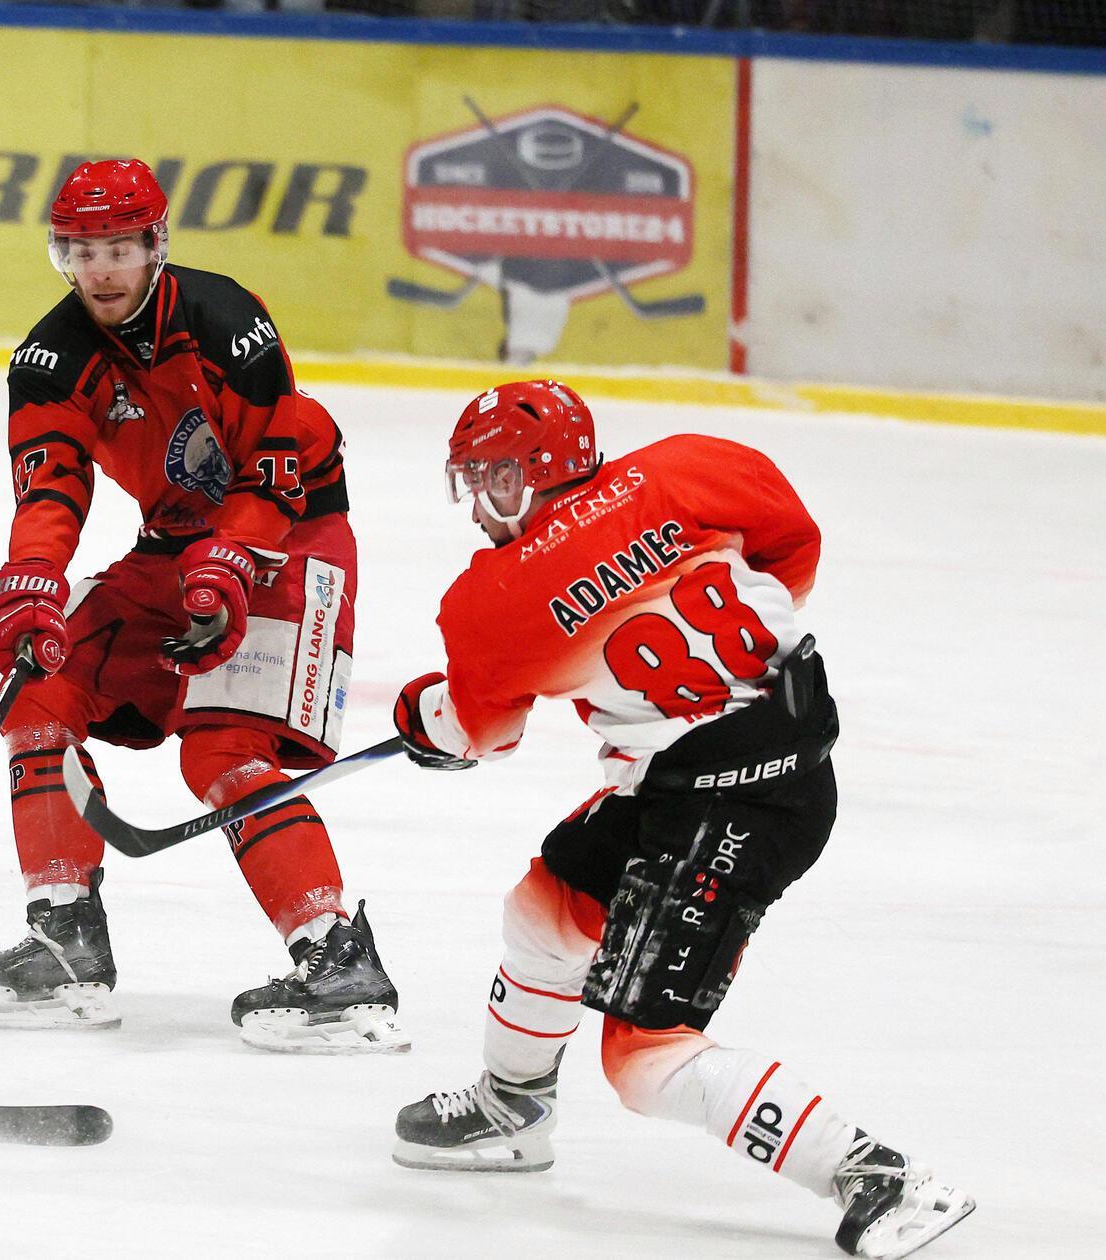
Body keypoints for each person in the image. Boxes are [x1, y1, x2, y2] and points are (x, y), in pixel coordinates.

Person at [386, 380, 974, 1257]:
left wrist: (424, 713)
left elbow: (481, 734)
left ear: (547, 472)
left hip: (727, 809)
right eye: (469, 482)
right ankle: (514, 1107)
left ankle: (878, 1175)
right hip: (748, 772)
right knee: (545, 910)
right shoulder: (690, 467)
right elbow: (790, 548)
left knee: (646, 1058)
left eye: (498, 481)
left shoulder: (493, 601)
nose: (480, 507)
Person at [0, 159, 406, 1053]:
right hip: (176, 546)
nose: (101, 271)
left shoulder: (224, 318)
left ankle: (335, 958)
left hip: (290, 533)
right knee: (42, 687)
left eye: (118, 248)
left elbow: (281, 456)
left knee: (225, 749)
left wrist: (230, 566)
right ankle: (64, 939)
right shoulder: (50, 357)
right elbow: (48, 490)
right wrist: (31, 583)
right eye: (82, 251)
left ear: (156, 244)